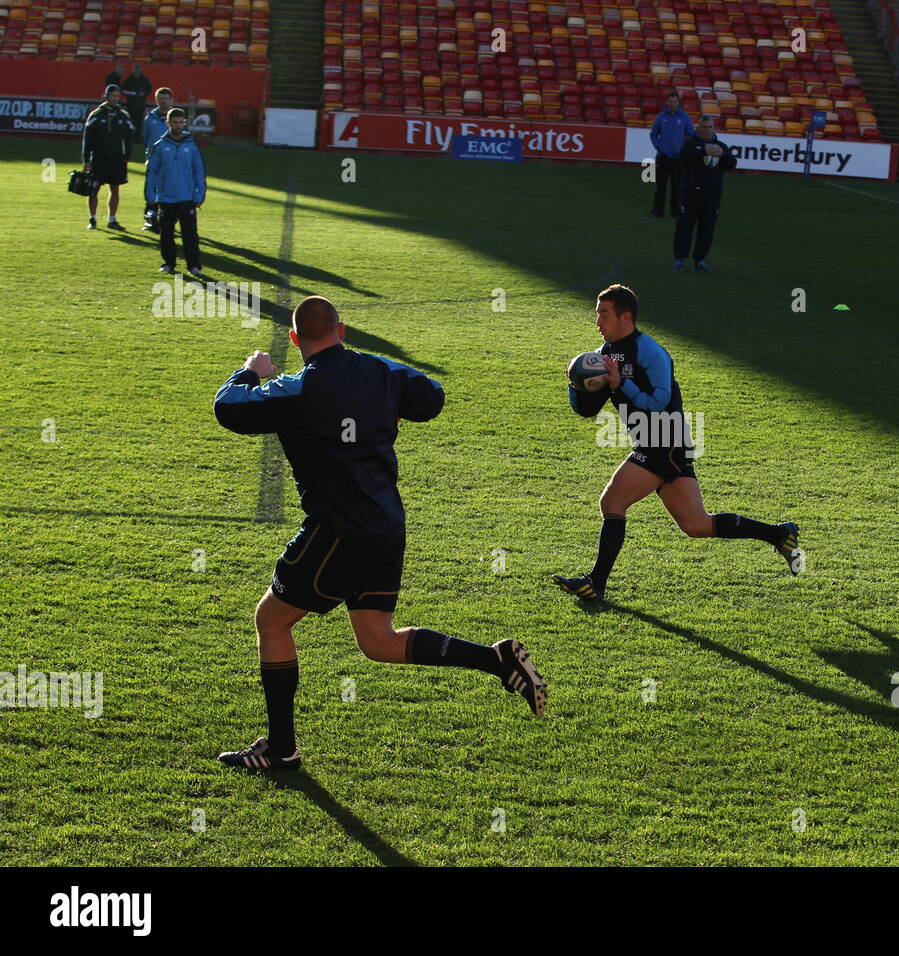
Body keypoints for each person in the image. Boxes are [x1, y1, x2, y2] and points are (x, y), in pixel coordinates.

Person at [213, 296, 546, 770]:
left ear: (294, 339)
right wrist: (380, 386)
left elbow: (228, 409)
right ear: (342, 330)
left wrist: (251, 370)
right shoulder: (380, 372)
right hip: (386, 526)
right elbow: (431, 396)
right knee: (378, 641)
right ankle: (496, 659)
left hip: (336, 533)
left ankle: (282, 748)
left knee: (272, 621)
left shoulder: (294, 389)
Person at [552, 285, 802, 602]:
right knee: (696, 524)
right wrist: (575, 385)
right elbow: (587, 411)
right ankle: (780, 534)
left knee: (612, 503)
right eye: (597, 314)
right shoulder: (604, 356)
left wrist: (620, 383)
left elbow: (659, 402)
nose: (598, 322)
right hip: (658, 442)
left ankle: (595, 583)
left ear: (625, 317)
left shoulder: (651, 353)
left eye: (604, 314)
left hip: (663, 441)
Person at [144, 108, 207, 277]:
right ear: (168, 123)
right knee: (166, 234)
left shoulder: (192, 146)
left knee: (190, 234)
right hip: (166, 197)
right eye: (175, 122)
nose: (179, 126)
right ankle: (169, 263)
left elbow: (199, 171)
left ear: (184, 122)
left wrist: (199, 195)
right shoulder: (160, 146)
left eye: (181, 122)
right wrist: (150, 195)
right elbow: (152, 172)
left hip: (187, 197)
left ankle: (194, 265)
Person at [671, 117, 737, 272]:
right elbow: (684, 157)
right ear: (698, 128)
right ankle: (680, 259)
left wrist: (723, 155)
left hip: (712, 196)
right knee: (684, 227)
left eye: (710, 127)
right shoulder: (690, 144)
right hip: (691, 194)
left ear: (714, 129)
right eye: (704, 127)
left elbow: (732, 164)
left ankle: (700, 260)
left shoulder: (721, 146)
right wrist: (703, 151)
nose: (707, 130)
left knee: (707, 229)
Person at [80, 85, 134, 230]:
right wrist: (86, 160)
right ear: (106, 96)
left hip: (117, 159)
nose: (116, 99)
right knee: (94, 189)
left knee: (115, 188)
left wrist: (127, 156)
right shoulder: (96, 114)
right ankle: (92, 219)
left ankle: (112, 219)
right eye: (113, 96)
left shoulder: (123, 115)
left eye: (118, 96)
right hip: (99, 158)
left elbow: (129, 138)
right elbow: (87, 139)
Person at [649, 91, 693, 219]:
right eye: (670, 102)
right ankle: (657, 211)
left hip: (678, 159)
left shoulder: (685, 118)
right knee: (659, 186)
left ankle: (676, 212)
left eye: (674, 101)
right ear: (667, 102)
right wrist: (658, 146)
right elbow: (653, 133)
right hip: (662, 157)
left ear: (678, 102)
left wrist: (684, 149)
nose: (672, 104)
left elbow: (690, 135)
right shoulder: (661, 117)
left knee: (677, 187)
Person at [140, 87, 174, 231]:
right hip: (154, 161)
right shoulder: (149, 119)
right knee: (151, 189)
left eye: (165, 98)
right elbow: (145, 138)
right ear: (156, 100)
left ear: (171, 100)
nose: (163, 101)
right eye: (160, 98)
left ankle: (168, 219)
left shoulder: (176, 118)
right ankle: (150, 216)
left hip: (172, 162)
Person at [121, 64, 152, 141]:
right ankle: (128, 136)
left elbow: (149, 90)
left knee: (139, 122)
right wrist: (132, 94)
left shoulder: (144, 79)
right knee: (130, 120)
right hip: (131, 104)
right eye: (135, 69)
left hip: (141, 104)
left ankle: (137, 138)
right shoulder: (128, 79)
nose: (136, 71)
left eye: (138, 69)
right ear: (133, 70)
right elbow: (123, 90)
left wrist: (143, 93)